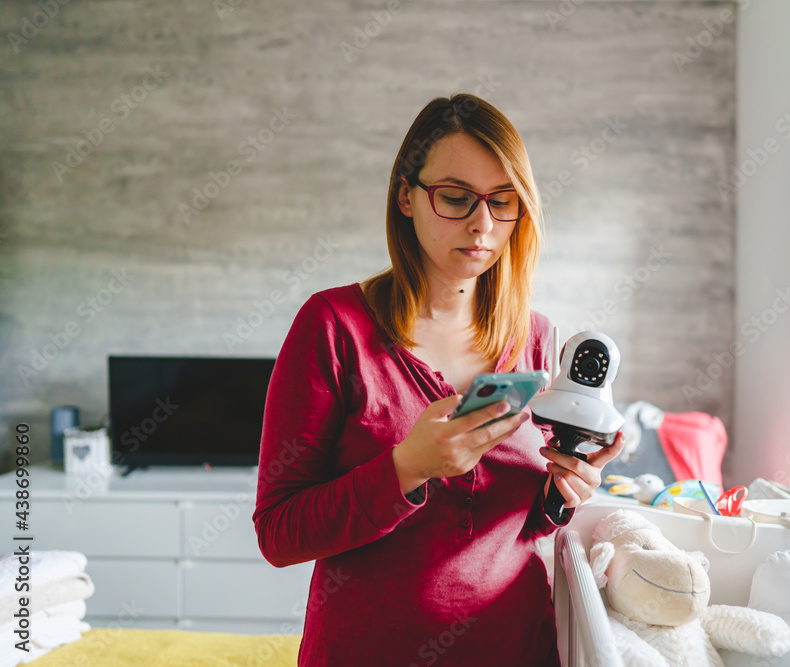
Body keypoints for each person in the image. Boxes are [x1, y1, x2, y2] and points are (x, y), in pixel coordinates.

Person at [253, 93, 626, 666]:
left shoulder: (534, 337)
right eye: (455, 197)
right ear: (406, 196)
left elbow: (520, 524)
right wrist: (407, 467)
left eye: (503, 202)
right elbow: (279, 534)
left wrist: (565, 490)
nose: (482, 225)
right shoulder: (333, 327)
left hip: (515, 649)